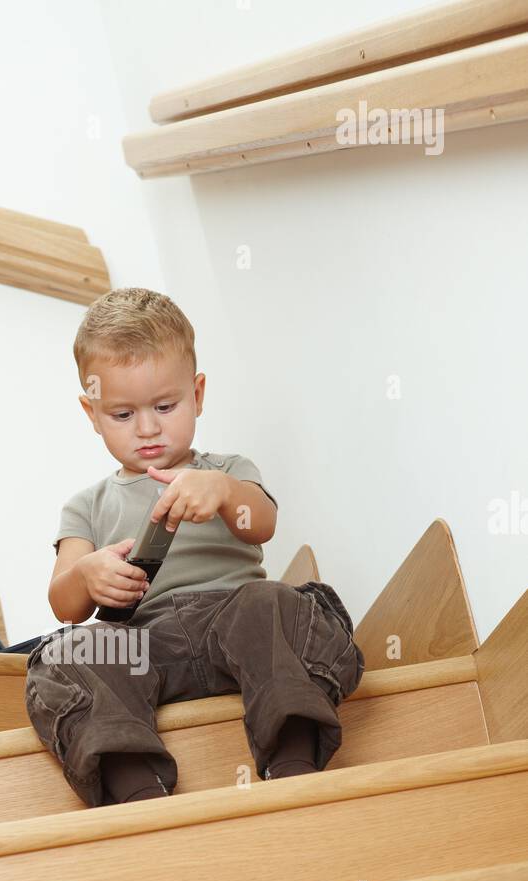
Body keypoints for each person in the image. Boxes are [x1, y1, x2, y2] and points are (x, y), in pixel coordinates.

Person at [25, 287, 364, 808]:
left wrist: (226, 494)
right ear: (91, 413)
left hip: (234, 621)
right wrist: (89, 575)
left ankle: (293, 756)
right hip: (142, 643)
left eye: (166, 405)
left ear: (198, 394)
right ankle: (134, 781)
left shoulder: (228, 470)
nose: (148, 428)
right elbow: (64, 604)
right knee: (68, 650)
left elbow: (263, 524)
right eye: (121, 414)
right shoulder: (85, 506)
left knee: (276, 601)